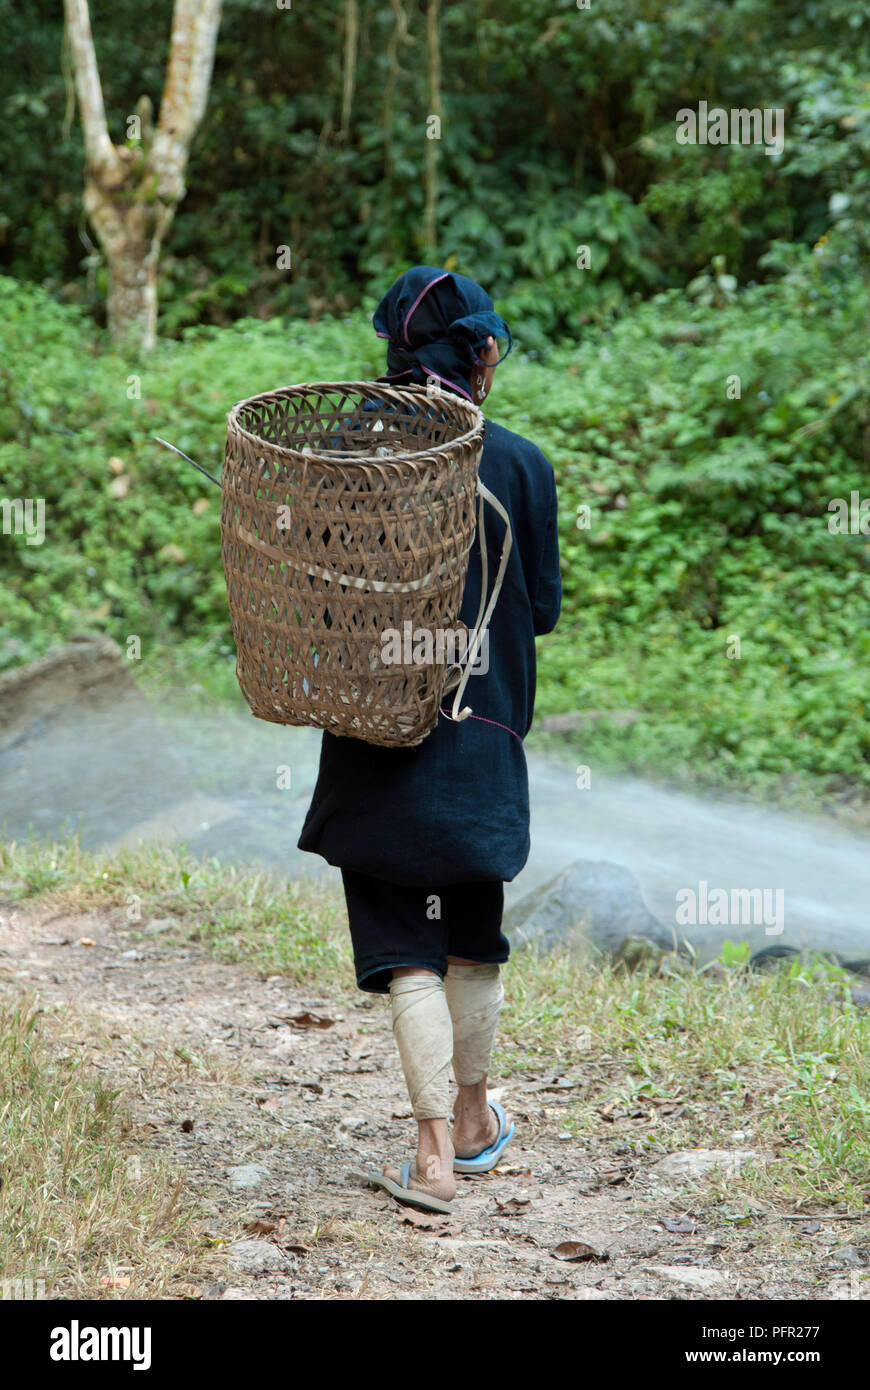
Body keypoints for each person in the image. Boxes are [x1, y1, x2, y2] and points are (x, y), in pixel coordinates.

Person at [298, 266, 561, 1213]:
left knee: (407, 947)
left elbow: (314, 598)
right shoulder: (521, 464)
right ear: (479, 353)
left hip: (376, 736)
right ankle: (477, 1117)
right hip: (481, 732)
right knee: (471, 938)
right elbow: (538, 614)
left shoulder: (344, 449)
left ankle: (434, 1156)